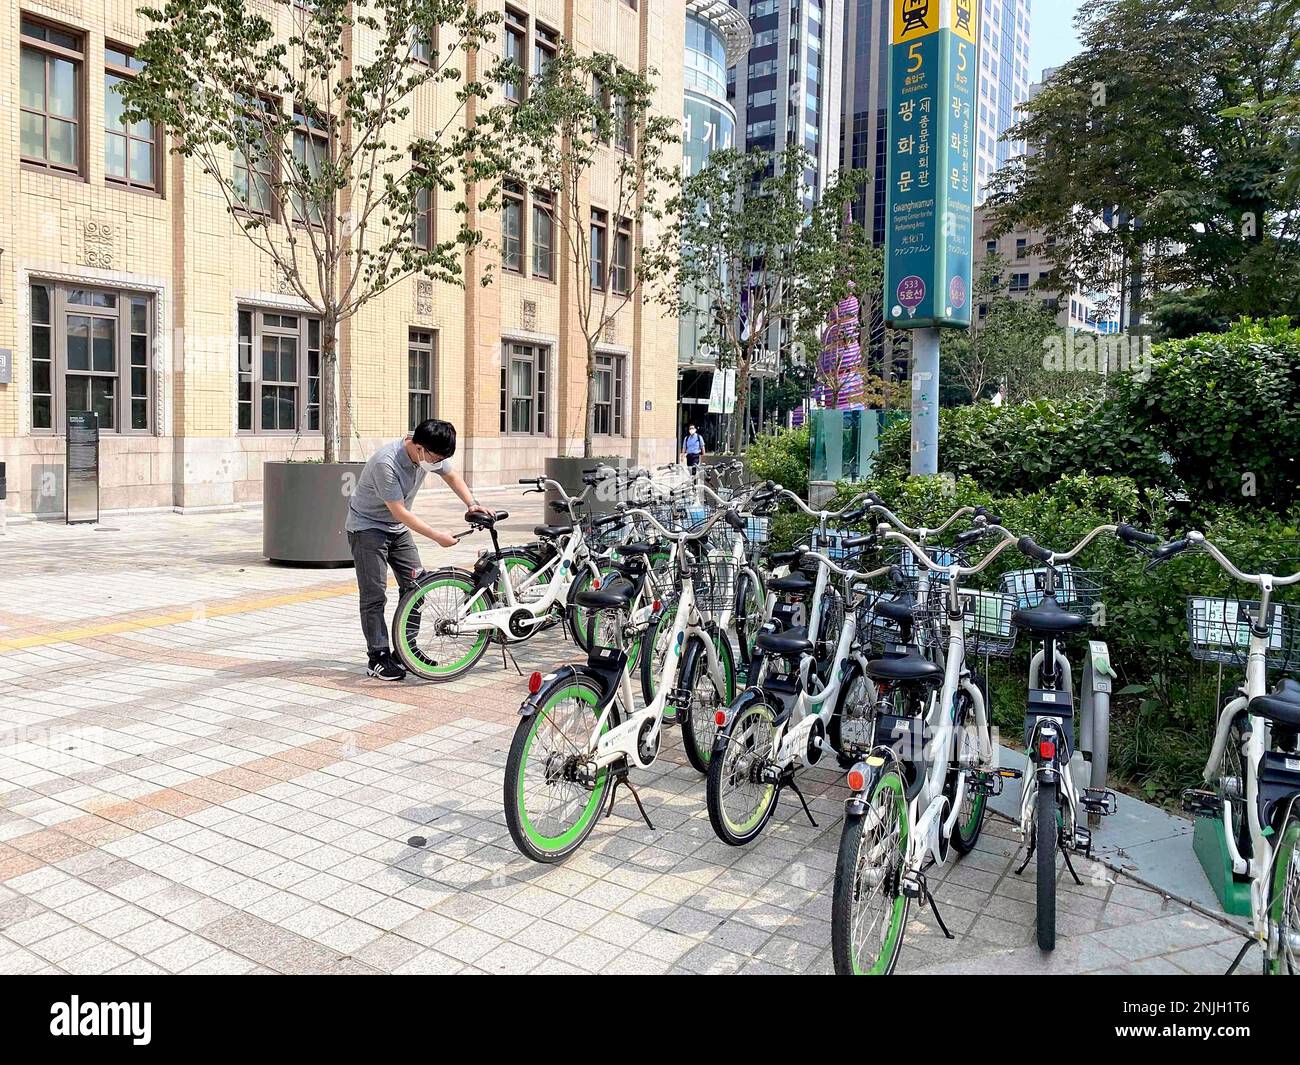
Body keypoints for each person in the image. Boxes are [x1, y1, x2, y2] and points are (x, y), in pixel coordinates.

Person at [345, 419, 488, 681]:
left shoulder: (430, 452)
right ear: (419, 448)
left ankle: (404, 650)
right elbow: (398, 510)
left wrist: (472, 504)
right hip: (367, 529)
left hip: (397, 529)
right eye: (435, 458)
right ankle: (377, 657)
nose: (437, 464)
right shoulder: (385, 463)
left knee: (417, 587)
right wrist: (436, 536)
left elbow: (452, 475)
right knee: (374, 595)